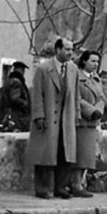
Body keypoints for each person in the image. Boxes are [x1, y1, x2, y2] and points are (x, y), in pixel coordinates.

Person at [24, 37, 79, 200]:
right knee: (44, 154)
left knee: (64, 153)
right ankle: (43, 188)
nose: (70, 53)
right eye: (67, 49)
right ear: (58, 50)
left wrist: (76, 116)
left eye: (72, 50)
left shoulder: (73, 69)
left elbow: (76, 96)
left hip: (65, 118)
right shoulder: (43, 68)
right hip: (48, 116)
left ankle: (60, 187)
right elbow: (37, 95)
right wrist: (39, 116)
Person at [70, 50, 106, 198]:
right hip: (82, 120)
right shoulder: (77, 77)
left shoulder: (96, 79)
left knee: (88, 156)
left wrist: (98, 110)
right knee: (80, 155)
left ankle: (81, 182)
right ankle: (75, 183)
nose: (95, 64)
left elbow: (102, 98)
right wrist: (91, 111)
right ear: (84, 61)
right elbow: (75, 98)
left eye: (97, 62)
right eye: (92, 61)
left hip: (93, 122)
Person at [0, 61, 32, 132]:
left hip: (10, 116)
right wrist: (25, 104)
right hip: (17, 118)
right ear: (21, 70)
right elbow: (15, 98)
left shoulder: (8, 81)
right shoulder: (16, 81)